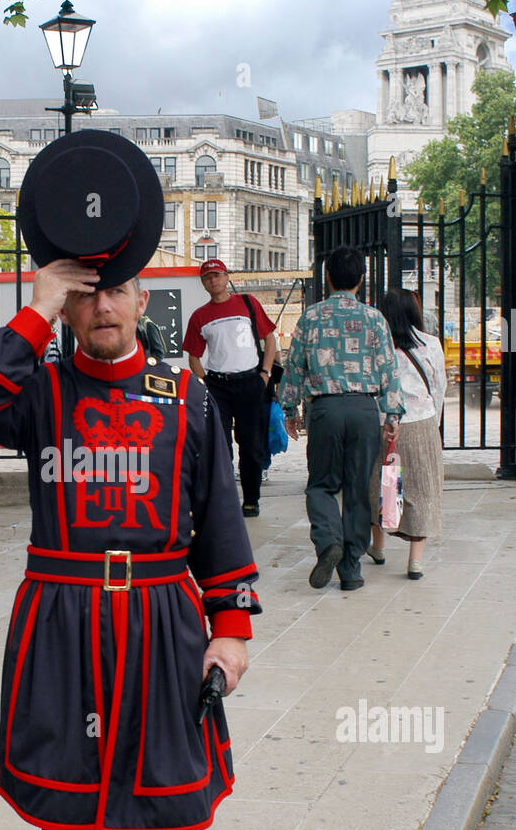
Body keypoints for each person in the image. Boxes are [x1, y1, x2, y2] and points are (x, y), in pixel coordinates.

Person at [0, 130, 261, 830]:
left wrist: (231, 630)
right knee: (73, 814)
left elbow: (218, 524)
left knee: (162, 812)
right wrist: (36, 304)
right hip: (64, 620)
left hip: (165, 620)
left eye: (117, 289)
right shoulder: (36, 389)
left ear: (140, 296)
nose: (105, 308)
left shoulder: (188, 398)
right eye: (87, 295)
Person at [278, 246, 404, 591]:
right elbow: (389, 368)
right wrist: (392, 412)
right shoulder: (374, 318)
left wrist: (288, 410)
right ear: (361, 280)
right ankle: (350, 569)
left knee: (321, 485)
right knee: (358, 489)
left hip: (325, 410)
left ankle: (328, 541)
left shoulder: (311, 317)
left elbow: (294, 368)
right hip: (364, 410)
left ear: (327, 278)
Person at [182, 258, 278, 517]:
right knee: (219, 444)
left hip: (250, 382)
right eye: (207, 277)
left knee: (251, 444)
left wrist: (265, 374)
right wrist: (205, 385)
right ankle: (223, 499)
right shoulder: (199, 316)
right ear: (203, 283)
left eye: (217, 275)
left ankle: (251, 499)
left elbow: (269, 337)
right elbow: (193, 356)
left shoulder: (247, 303)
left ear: (226, 277)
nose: (213, 280)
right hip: (218, 386)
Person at [367, 289, 447, 579]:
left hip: (382, 424)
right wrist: (432, 420)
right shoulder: (431, 344)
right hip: (421, 423)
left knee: (384, 486)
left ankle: (378, 547)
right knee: (422, 490)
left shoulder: (375, 345)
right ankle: (415, 562)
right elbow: (439, 387)